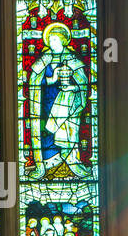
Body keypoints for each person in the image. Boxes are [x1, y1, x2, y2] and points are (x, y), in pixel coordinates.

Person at [27, 22, 88, 179]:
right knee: (46, 134)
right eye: (50, 40)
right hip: (45, 104)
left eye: (54, 39)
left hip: (67, 105)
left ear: (62, 40)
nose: (51, 43)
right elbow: (34, 82)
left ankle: (69, 164)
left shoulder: (73, 60)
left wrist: (72, 89)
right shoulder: (45, 58)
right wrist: (52, 78)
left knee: (66, 134)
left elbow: (82, 84)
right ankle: (47, 168)